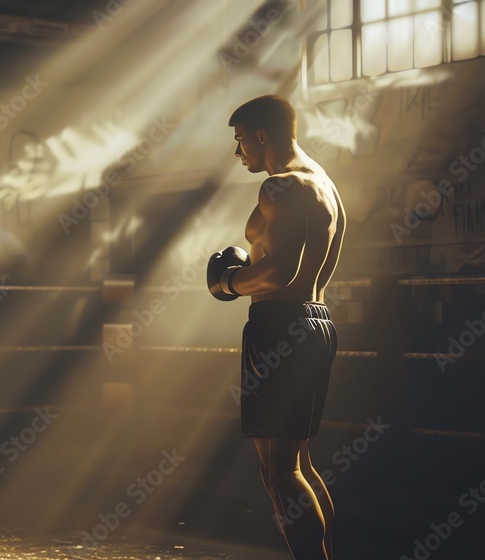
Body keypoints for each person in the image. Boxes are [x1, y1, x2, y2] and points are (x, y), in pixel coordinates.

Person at [208, 95, 345, 560]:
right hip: (315, 322)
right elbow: (305, 269)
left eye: (241, 139)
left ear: (262, 135)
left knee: (279, 472)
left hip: (280, 326)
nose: (238, 151)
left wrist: (228, 281)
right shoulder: (324, 184)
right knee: (299, 464)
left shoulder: (279, 188)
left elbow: (279, 273)